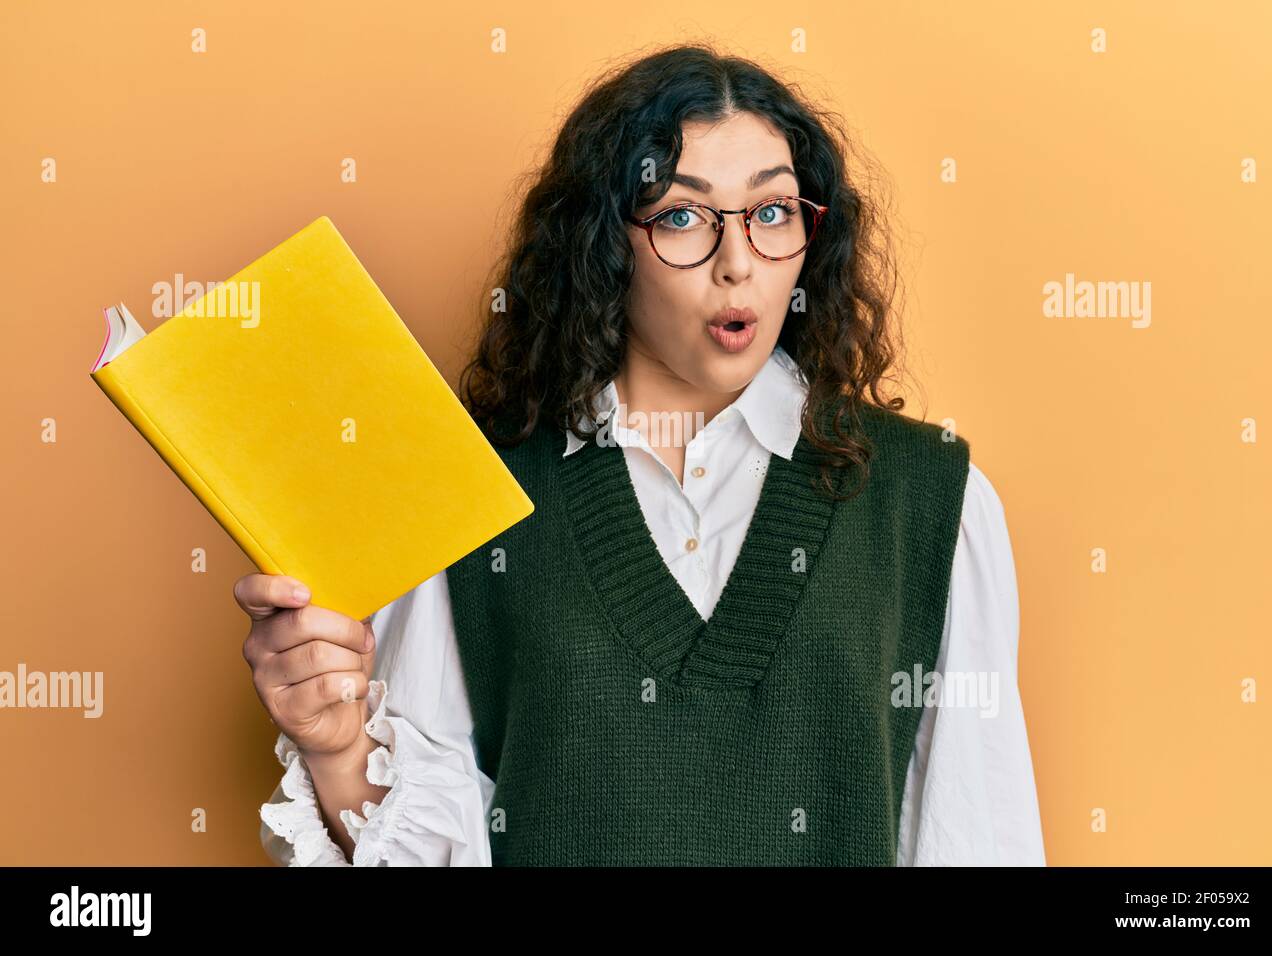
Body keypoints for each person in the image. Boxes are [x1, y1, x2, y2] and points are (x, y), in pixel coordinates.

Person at [239, 43, 1045, 866]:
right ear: (605, 246)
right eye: (683, 217)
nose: (738, 266)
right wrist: (337, 753)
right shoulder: (477, 495)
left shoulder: (931, 502)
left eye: (772, 213)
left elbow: (975, 839)